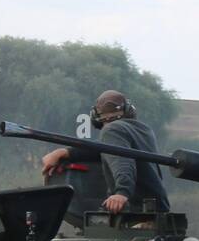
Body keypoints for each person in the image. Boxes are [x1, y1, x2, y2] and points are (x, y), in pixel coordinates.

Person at [40, 90, 171, 213]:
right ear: (129, 110)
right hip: (156, 209)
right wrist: (66, 152)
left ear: (95, 118)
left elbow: (122, 160)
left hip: (134, 214)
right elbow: (104, 149)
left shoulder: (111, 130)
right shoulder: (143, 130)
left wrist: (121, 193)